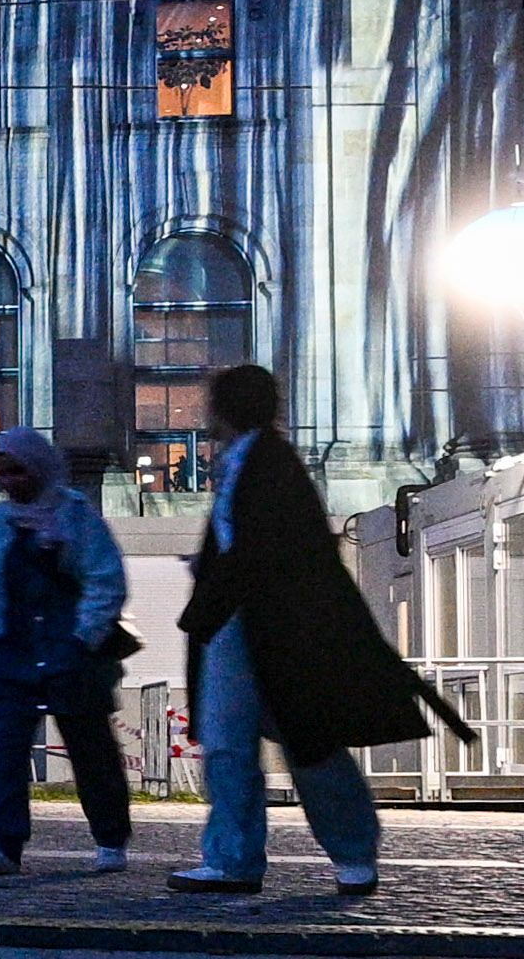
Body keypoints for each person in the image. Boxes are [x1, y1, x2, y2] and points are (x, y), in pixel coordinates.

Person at [173, 362, 467, 897]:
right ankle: (300, 855)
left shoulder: (264, 464)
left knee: (287, 743)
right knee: (250, 742)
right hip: (251, 621)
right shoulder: (256, 462)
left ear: (225, 409)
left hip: (266, 625)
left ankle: (300, 854)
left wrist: (206, 594)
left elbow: (260, 550)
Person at [0, 426, 133, 877]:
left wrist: (82, 638)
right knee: (9, 750)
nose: (11, 481)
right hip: (13, 651)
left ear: (39, 467)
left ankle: (110, 837)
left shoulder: (75, 515)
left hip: (68, 650)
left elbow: (105, 580)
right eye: (2, 472)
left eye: (17, 470)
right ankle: (2, 842)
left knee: (89, 747)